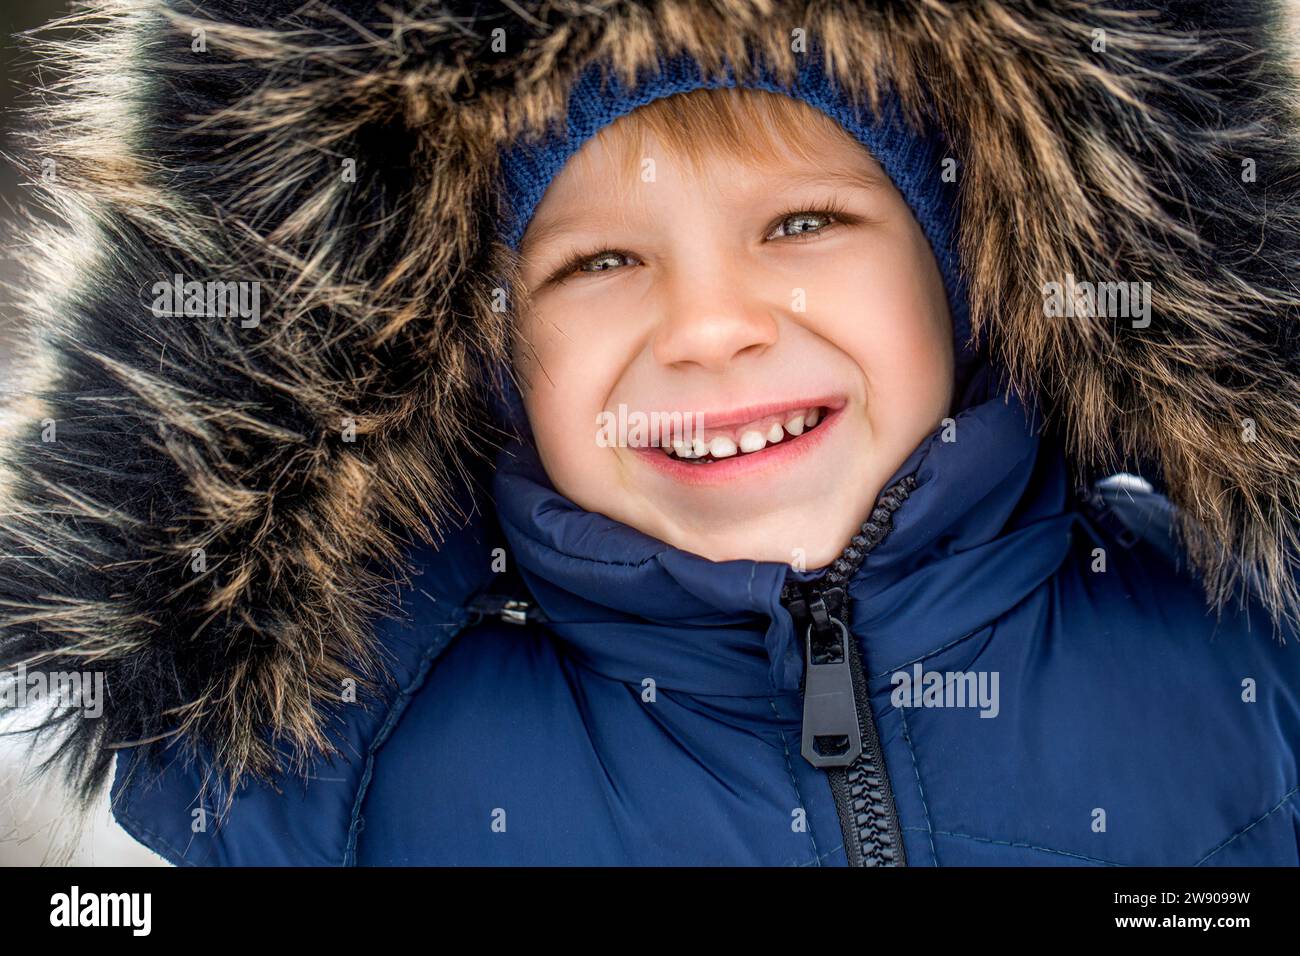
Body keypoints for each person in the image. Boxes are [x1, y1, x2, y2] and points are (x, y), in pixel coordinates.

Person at [1, 0, 1297, 866]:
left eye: (803, 225)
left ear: (973, 280)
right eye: (600, 261)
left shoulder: (1245, 637)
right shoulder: (334, 753)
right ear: (484, 363)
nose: (709, 326)